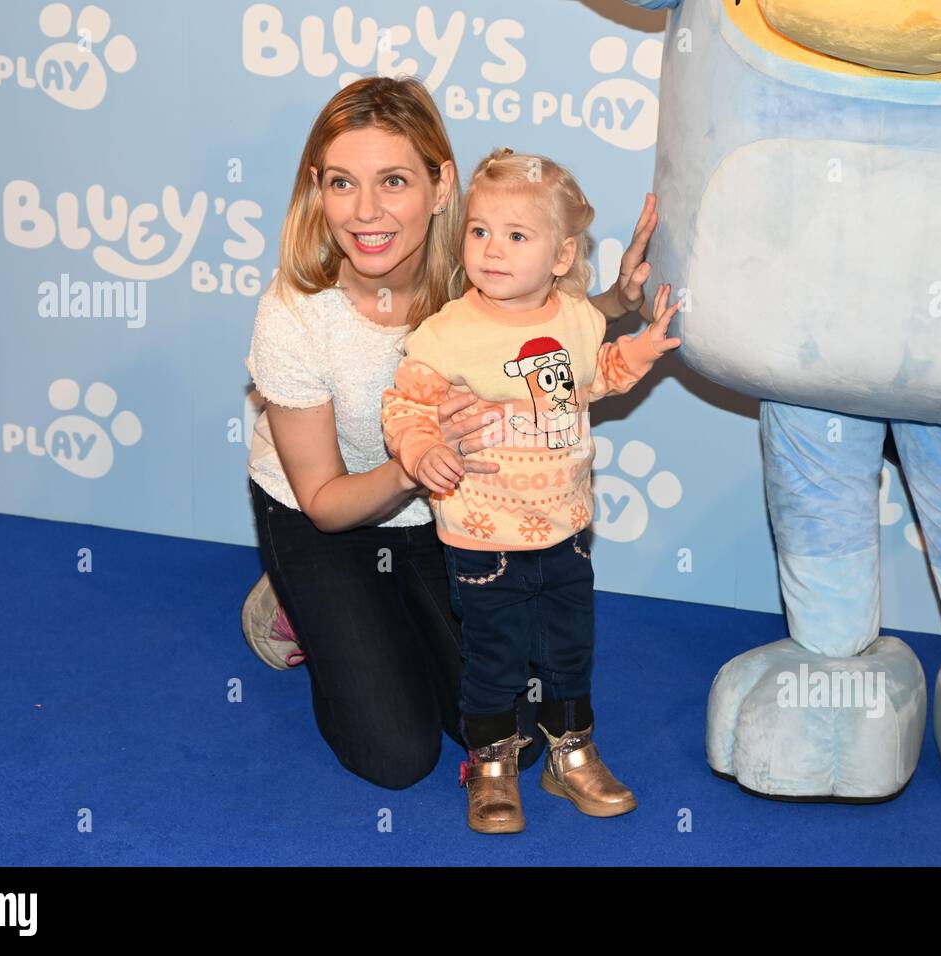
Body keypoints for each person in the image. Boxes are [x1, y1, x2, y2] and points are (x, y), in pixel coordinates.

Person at [243, 75, 658, 790]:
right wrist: (416, 464)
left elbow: (548, 329)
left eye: (394, 181)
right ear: (317, 188)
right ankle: (290, 598)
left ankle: (390, 604)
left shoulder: (475, 273)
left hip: (451, 519)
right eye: (342, 183)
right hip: (329, 517)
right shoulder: (294, 314)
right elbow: (323, 500)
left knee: (519, 737)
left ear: (440, 187)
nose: (366, 212)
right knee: (397, 756)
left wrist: (619, 300)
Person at [381, 148, 681, 832]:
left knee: (569, 652)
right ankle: (490, 768)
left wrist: (640, 350)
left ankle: (569, 754)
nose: (491, 249)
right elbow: (405, 406)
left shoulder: (574, 316)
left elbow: (591, 376)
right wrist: (422, 447)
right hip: (484, 539)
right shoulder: (449, 333)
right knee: (493, 661)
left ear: (561, 254)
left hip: (568, 529)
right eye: (480, 230)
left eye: (517, 235)